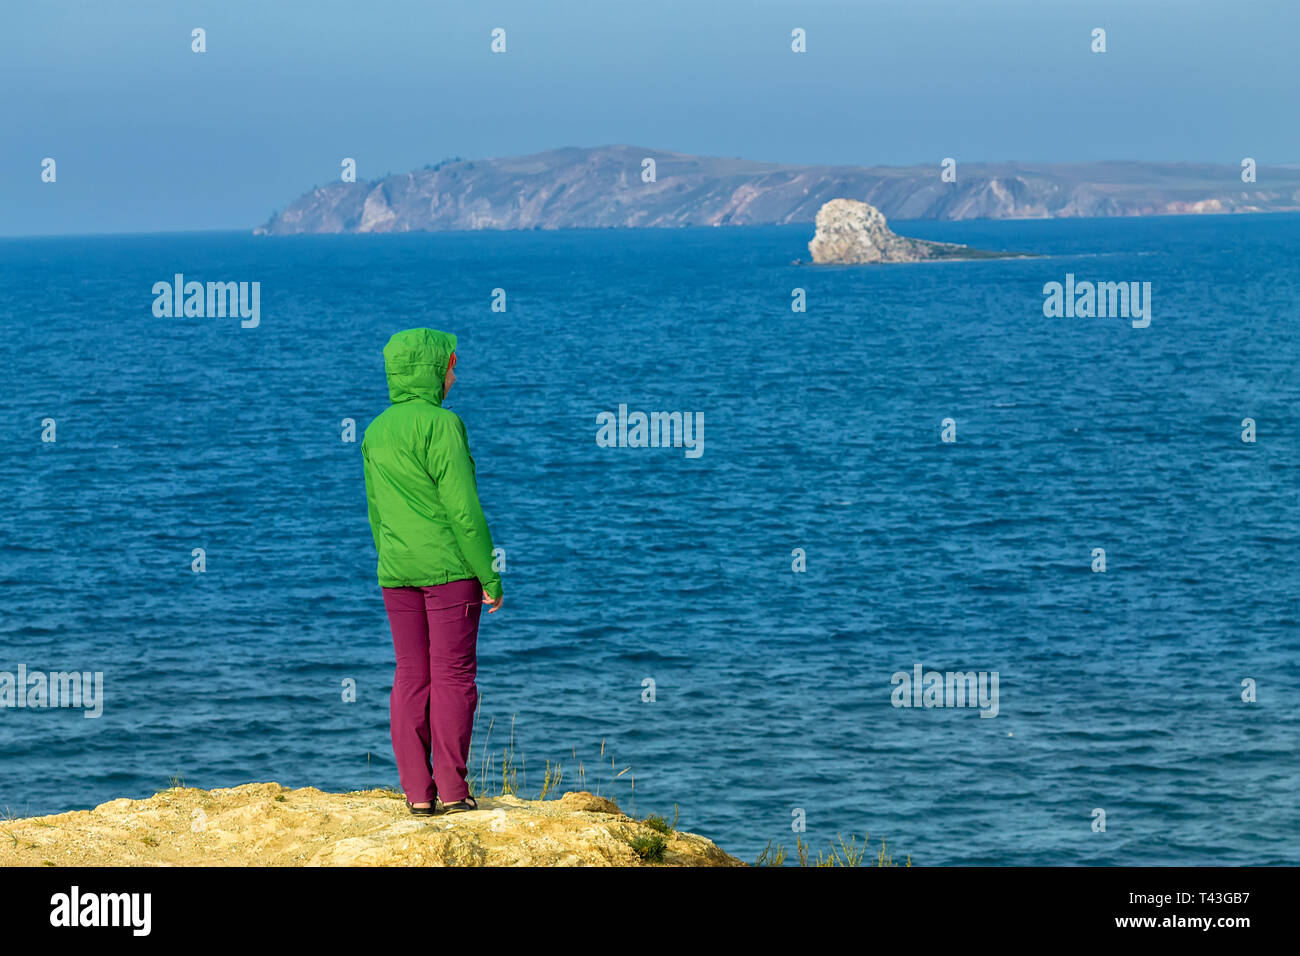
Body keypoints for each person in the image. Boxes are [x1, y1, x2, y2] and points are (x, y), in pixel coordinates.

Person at [361, 328, 504, 815]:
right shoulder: (442, 425)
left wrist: (393, 560)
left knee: (410, 675)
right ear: (431, 371)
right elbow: (463, 510)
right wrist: (490, 574)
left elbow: (376, 513)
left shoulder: (376, 429)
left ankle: (418, 796)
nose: (455, 375)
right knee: (454, 674)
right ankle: (454, 791)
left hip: (395, 570)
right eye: (450, 367)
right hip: (449, 570)